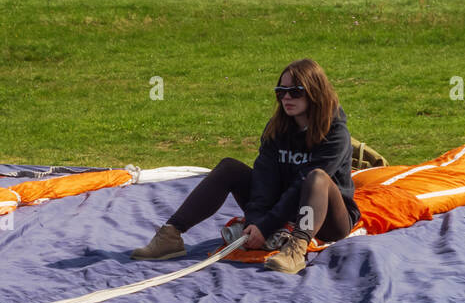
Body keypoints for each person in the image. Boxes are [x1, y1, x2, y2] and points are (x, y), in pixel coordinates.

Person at [131, 59, 362, 273]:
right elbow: (264, 177)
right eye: (281, 92)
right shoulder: (278, 127)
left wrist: (266, 224)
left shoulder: (335, 133)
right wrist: (255, 222)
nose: (286, 98)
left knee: (316, 178)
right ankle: (171, 234)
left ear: (315, 92)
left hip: (325, 219)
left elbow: (301, 186)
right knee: (229, 167)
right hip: (280, 206)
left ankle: (296, 248)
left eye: (295, 92)